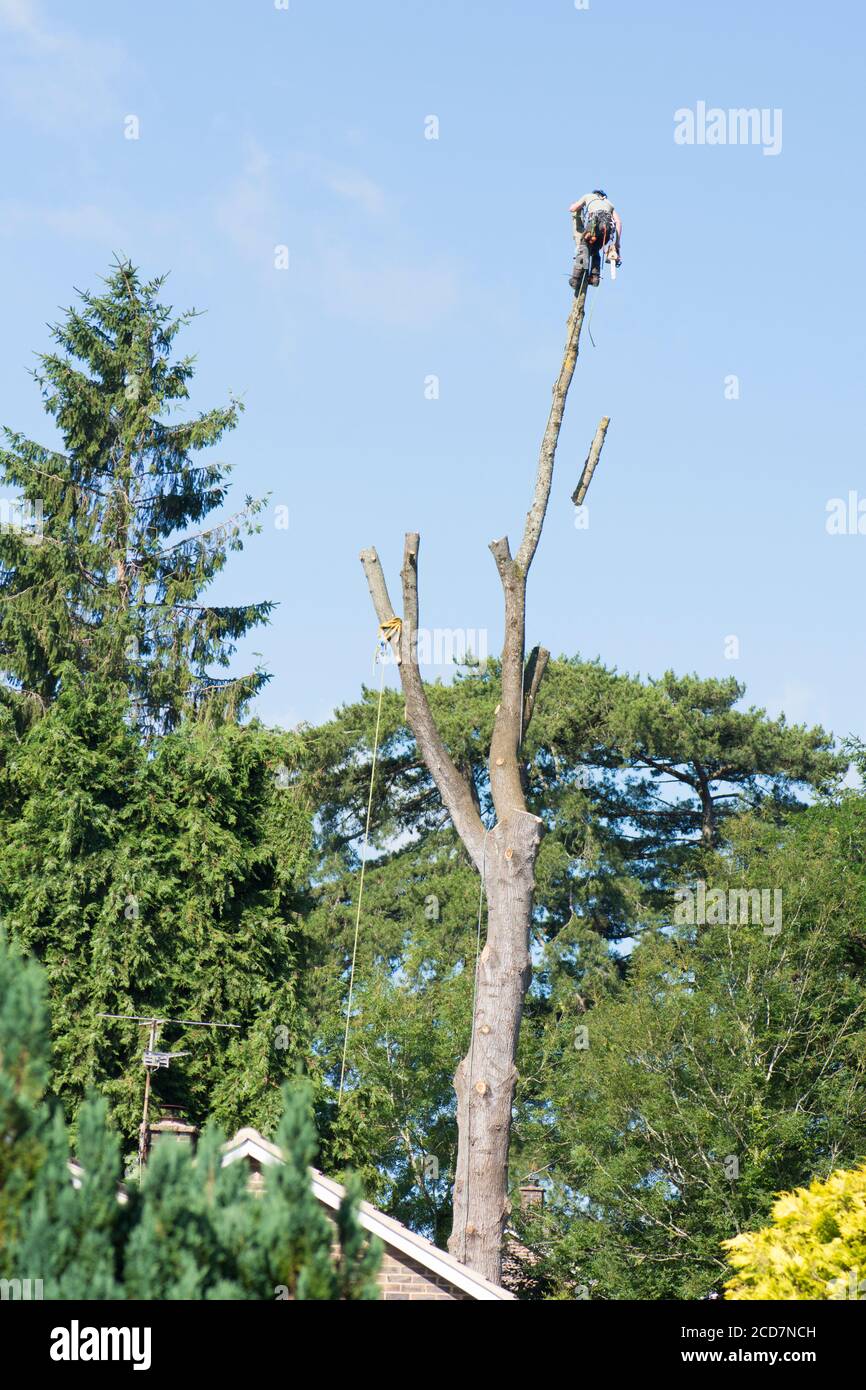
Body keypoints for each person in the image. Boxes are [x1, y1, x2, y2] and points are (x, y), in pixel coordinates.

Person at [569, 189, 622, 289]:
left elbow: (572, 209)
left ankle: (576, 279)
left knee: (584, 247)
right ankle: (594, 277)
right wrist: (617, 243)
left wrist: (576, 204)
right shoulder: (609, 203)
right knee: (594, 250)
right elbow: (618, 222)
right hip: (608, 229)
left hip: (595, 223)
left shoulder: (588, 196)